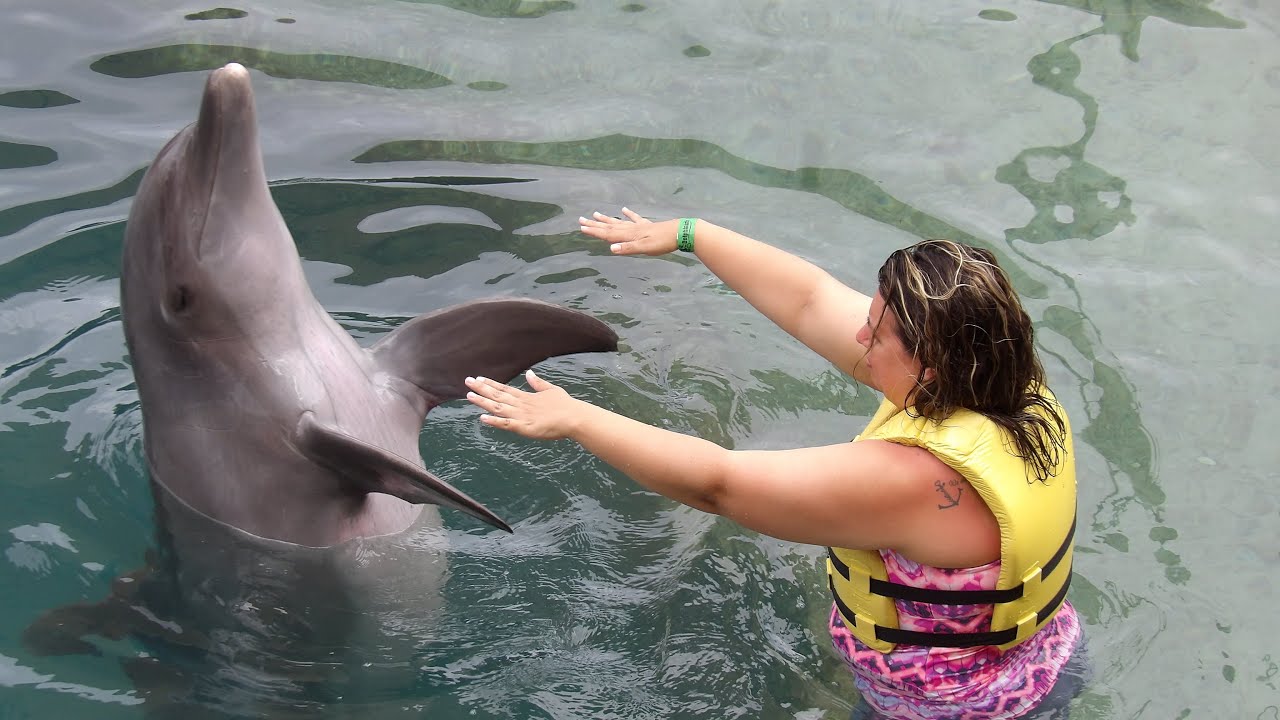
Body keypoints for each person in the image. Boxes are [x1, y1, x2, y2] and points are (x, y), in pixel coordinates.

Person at [464, 209, 1083, 719]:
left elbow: (718, 486)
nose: (860, 341)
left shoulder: (918, 480)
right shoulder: (1016, 386)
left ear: (932, 365)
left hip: (944, 709)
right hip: (1049, 661)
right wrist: (691, 235)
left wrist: (579, 419)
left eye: (877, 334)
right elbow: (812, 300)